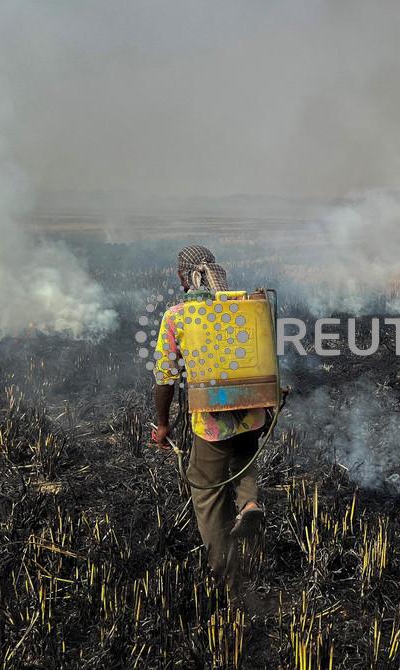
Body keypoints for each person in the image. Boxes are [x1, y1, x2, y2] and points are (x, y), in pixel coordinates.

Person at [151, 245, 267, 583]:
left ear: (182, 277)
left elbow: (165, 379)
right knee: (244, 457)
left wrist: (162, 423)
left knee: (206, 488)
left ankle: (225, 574)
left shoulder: (177, 316)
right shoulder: (243, 306)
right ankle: (248, 504)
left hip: (213, 419)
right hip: (253, 408)